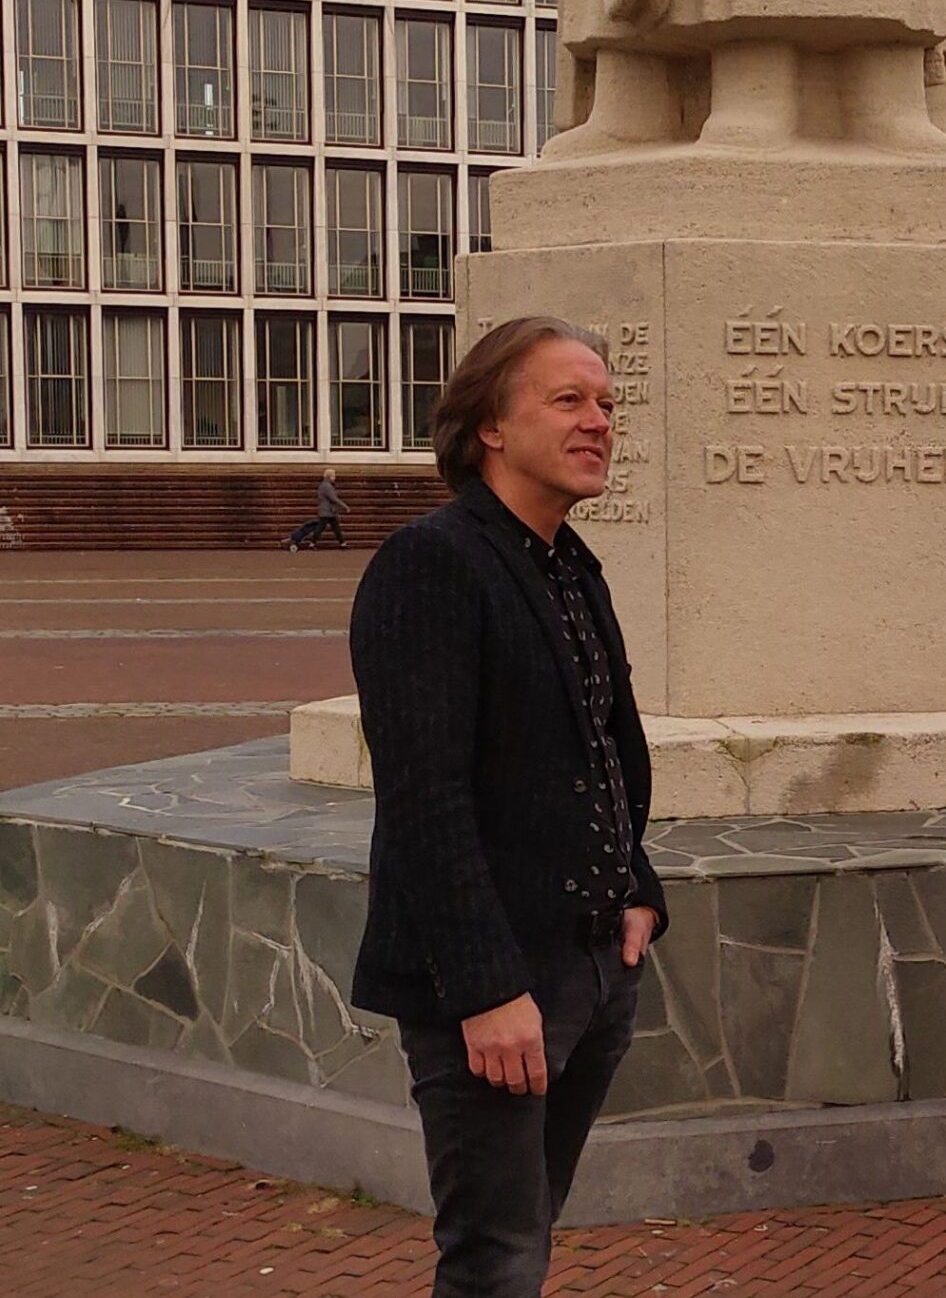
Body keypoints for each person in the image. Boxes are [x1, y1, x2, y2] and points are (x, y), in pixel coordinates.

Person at [348, 317, 670, 1297]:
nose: (598, 422)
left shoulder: (571, 567)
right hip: (488, 992)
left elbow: (603, 746)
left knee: (525, 1238)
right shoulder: (431, 565)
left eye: (607, 404)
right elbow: (423, 797)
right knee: (493, 1261)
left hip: (589, 970)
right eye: (568, 400)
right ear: (489, 423)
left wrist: (637, 888)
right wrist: (486, 993)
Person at [287, 469, 349, 550]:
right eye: (333, 476)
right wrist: (345, 506)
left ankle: (342, 543)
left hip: (328, 511)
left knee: (333, 528)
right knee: (322, 528)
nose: (335, 477)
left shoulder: (325, 485)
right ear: (329, 477)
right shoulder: (327, 486)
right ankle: (313, 544)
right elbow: (333, 498)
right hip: (327, 511)